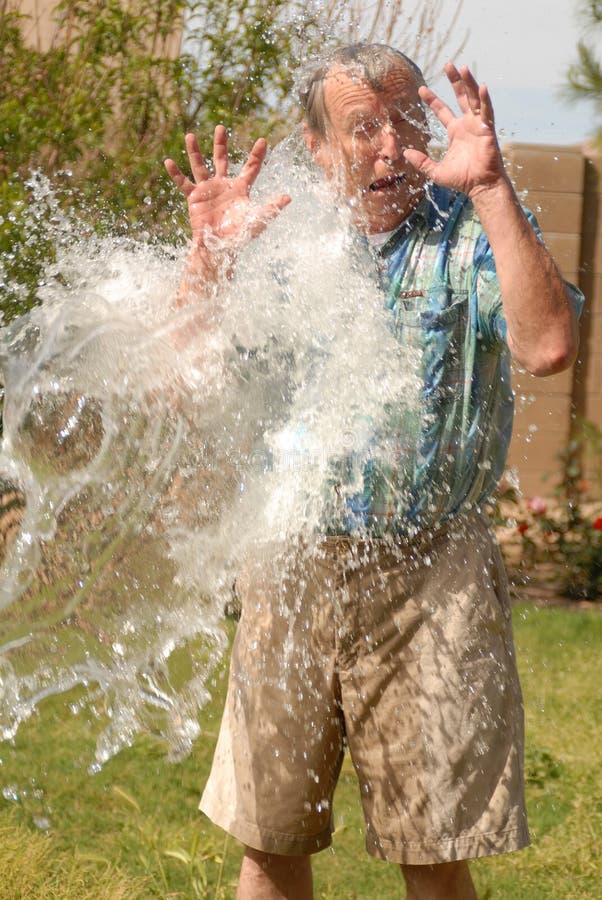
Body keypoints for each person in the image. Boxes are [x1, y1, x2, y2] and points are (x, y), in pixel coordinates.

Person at [164, 44, 582, 900]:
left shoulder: (472, 237)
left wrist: (495, 191)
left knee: (432, 857)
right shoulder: (283, 247)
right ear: (318, 148)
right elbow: (182, 386)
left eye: (406, 119)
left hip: (434, 576)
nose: (391, 146)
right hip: (292, 566)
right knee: (270, 845)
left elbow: (547, 347)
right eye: (364, 128)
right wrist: (209, 261)